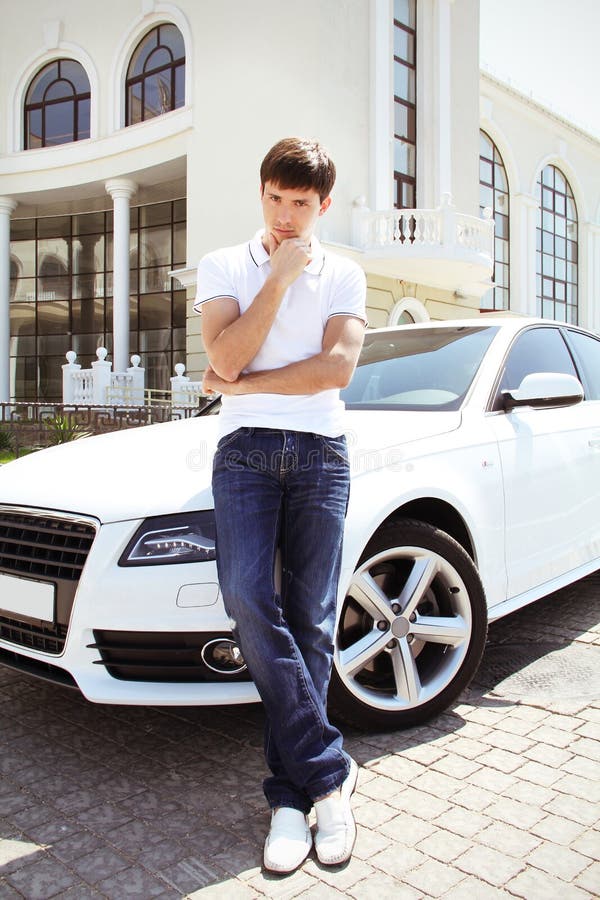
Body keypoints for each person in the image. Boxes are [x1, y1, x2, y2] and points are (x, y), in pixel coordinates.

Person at [194, 137, 367, 874]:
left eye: (302, 203)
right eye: (276, 198)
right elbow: (223, 357)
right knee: (245, 599)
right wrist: (276, 278)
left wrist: (243, 384)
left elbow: (336, 371)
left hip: (322, 456)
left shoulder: (348, 273)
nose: (288, 215)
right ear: (261, 192)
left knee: (311, 620)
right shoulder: (226, 265)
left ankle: (289, 800)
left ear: (322, 204)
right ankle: (329, 774)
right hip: (246, 456)